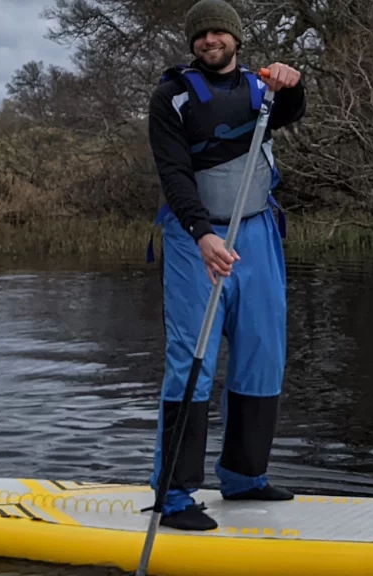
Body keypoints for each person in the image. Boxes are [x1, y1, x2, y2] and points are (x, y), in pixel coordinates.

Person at [144, 0, 307, 531]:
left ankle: (243, 476)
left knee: (262, 352)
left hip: (259, 232)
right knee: (192, 361)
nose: (210, 41)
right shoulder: (171, 97)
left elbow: (292, 111)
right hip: (198, 237)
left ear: (236, 37)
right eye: (201, 35)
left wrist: (293, 81)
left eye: (219, 32)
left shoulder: (263, 91)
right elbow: (174, 174)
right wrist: (203, 234)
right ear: (192, 44)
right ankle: (173, 494)